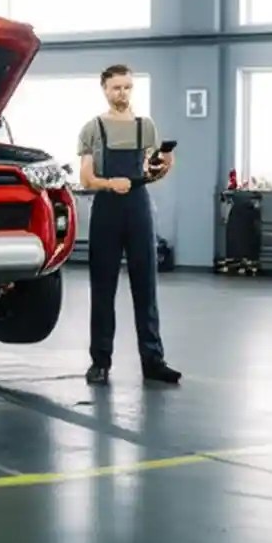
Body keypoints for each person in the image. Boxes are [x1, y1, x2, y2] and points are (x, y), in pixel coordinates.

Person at [76, 64, 181, 385]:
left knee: (145, 286)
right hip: (107, 208)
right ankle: (100, 361)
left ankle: (153, 361)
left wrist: (164, 165)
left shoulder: (145, 126)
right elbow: (86, 178)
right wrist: (110, 184)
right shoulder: (92, 128)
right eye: (116, 87)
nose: (122, 93)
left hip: (139, 208)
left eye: (127, 87)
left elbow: (153, 170)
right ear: (105, 90)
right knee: (103, 288)